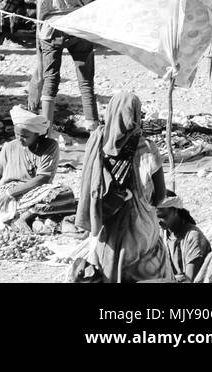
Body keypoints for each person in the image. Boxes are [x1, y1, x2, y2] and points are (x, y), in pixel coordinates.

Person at [73, 90, 170, 283]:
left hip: (108, 224)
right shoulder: (147, 148)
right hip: (142, 228)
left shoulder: (98, 144)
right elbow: (160, 197)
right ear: (136, 115)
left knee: (109, 270)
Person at [22, 0, 97, 127]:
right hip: (77, 28)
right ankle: (92, 126)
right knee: (85, 81)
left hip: (49, 29)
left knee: (50, 80)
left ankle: (46, 128)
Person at [0, 107, 75, 227]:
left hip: (35, 190)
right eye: (17, 135)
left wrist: (11, 194)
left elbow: (43, 179)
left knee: (64, 194)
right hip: (9, 189)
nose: (20, 139)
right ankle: (27, 217)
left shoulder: (50, 146)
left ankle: (26, 216)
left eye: (25, 136)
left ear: (37, 134)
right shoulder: (9, 147)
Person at [157, 194, 212, 283]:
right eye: (155, 217)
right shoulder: (162, 234)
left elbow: (190, 279)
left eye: (162, 216)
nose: (158, 221)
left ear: (175, 211)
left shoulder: (193, 237)